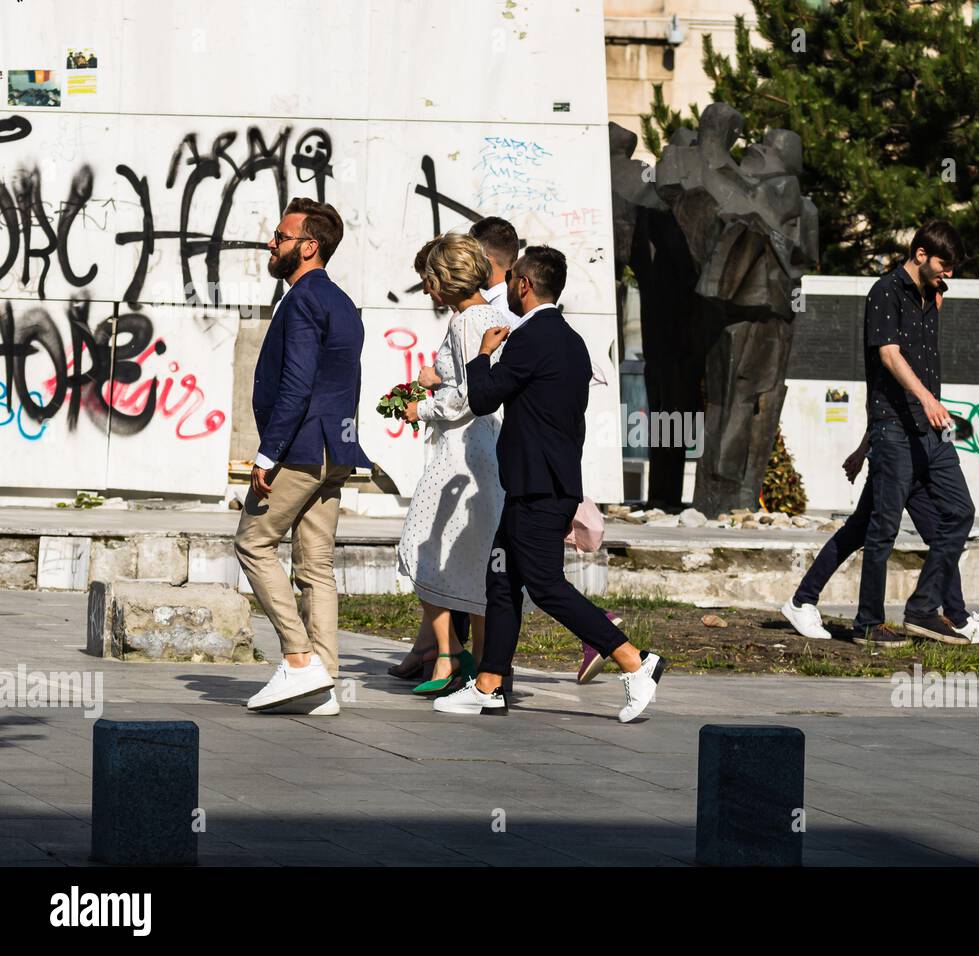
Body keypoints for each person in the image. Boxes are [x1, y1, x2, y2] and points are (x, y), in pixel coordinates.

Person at [435, 246, 665, 720]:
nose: (509, 285)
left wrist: (483, 356)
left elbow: (482, 399)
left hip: (539, 489)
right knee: (500, 579)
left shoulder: (529, 338)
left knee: (543, 585)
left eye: (513, 277)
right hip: (540, 485)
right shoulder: (570, 339)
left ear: (523, 284)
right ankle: (489, 684)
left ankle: (633, 661)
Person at [790, 221, 979, 649]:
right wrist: (910, 413)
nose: (948, 274)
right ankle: (868, 623)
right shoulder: (884, 292)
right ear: (919, 254)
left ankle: (928, 611)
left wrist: (863, 444)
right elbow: (887, 360)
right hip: (897, 432)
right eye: (944, 265)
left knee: (959, 512)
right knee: (879, 529)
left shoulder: (935, 296)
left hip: (928, 433)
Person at [236, 198, 370, 716]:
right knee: (315, 565)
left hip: (300, 448)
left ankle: (297, 660)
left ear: (308, 246)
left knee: (252, 542)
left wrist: (269, 454)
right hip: (334, 447)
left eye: (281, 237)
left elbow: (297, 383)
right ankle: (326, 683)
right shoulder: (341, 301)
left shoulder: (301, 301)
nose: (272, 244)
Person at [392, 234, 507, 696]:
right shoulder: (494, 316)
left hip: (461, 450)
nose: (427, 291)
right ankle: (476, 660)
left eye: (430, 281)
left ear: (445, 279)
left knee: (420, 546)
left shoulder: (465, 322)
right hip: (489, 451)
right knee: (475, 558)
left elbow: (467, 396)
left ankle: (447, 652)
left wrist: (422, 409)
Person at [781, 459, 979, 645]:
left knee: (938, 534)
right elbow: (878, 404)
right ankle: (802, 602)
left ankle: (958, 617)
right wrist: (865, 449)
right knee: (861, 531)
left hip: (911, 459)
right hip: (893, 459)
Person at [468, 216, 520, 325]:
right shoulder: (518, 303)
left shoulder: (496, 309)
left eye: (471, 255)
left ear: (485, 259)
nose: (468, 263)